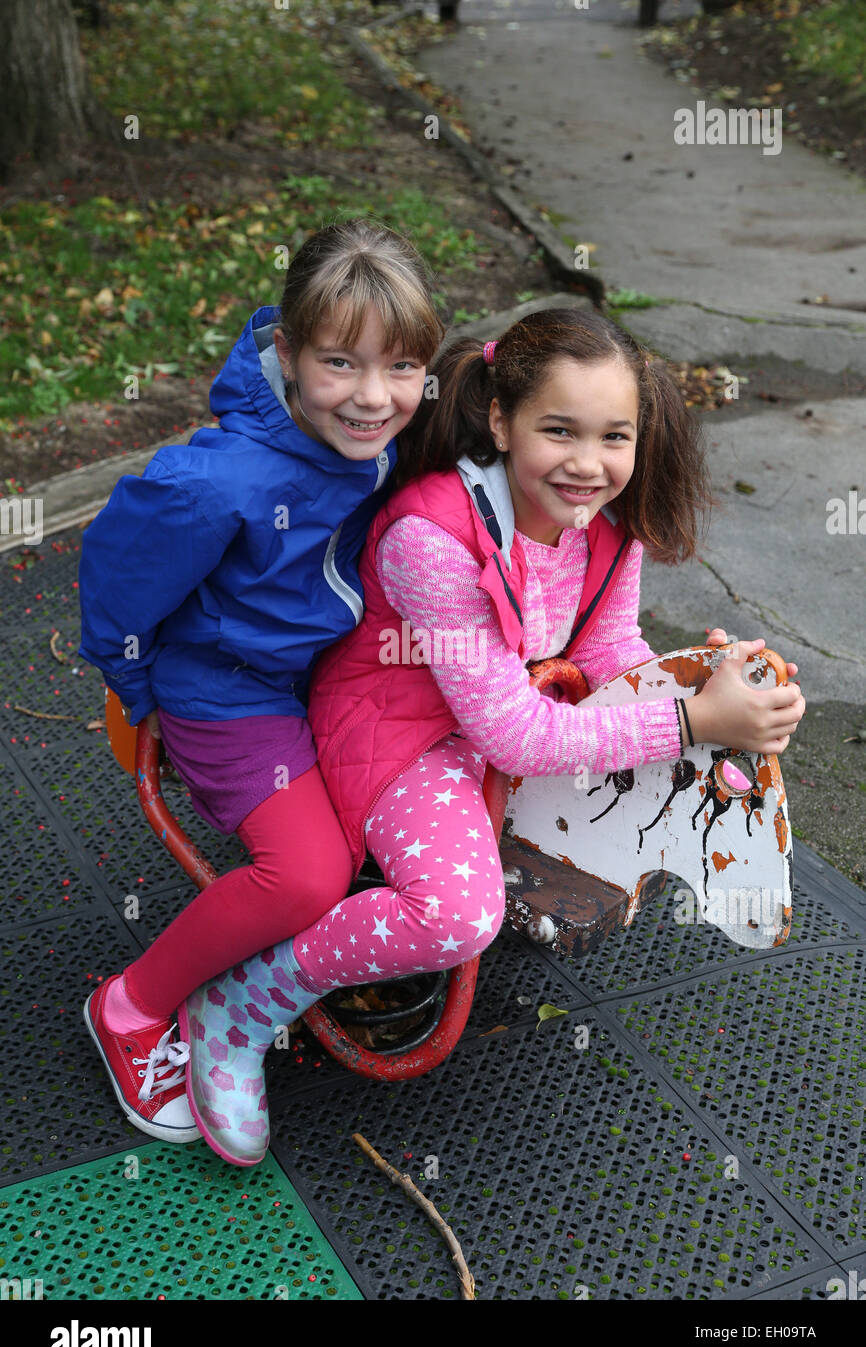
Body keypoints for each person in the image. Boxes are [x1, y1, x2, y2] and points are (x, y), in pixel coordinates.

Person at [176, 306, 807, 1166]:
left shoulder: (605, 524)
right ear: (502, 421)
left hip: (507, 719)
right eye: (559, 431)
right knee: (457, 915)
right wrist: (693, 715)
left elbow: (605, 648)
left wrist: (704, 682)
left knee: (693, 759)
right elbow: (513, 737)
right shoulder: (433, 538)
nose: (588, 465)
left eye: (613, 436)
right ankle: (246, 999)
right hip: (404, 738)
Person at [76, 219, 444, 1143]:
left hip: (322, 672)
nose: (372, 398)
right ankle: (129, 1007)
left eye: (400, 368)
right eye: (340, 365)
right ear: (286, 352)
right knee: (307, 876)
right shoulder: (217, 482)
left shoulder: (391, 434)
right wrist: (143, 695)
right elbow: (115, 586)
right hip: (229, 694)